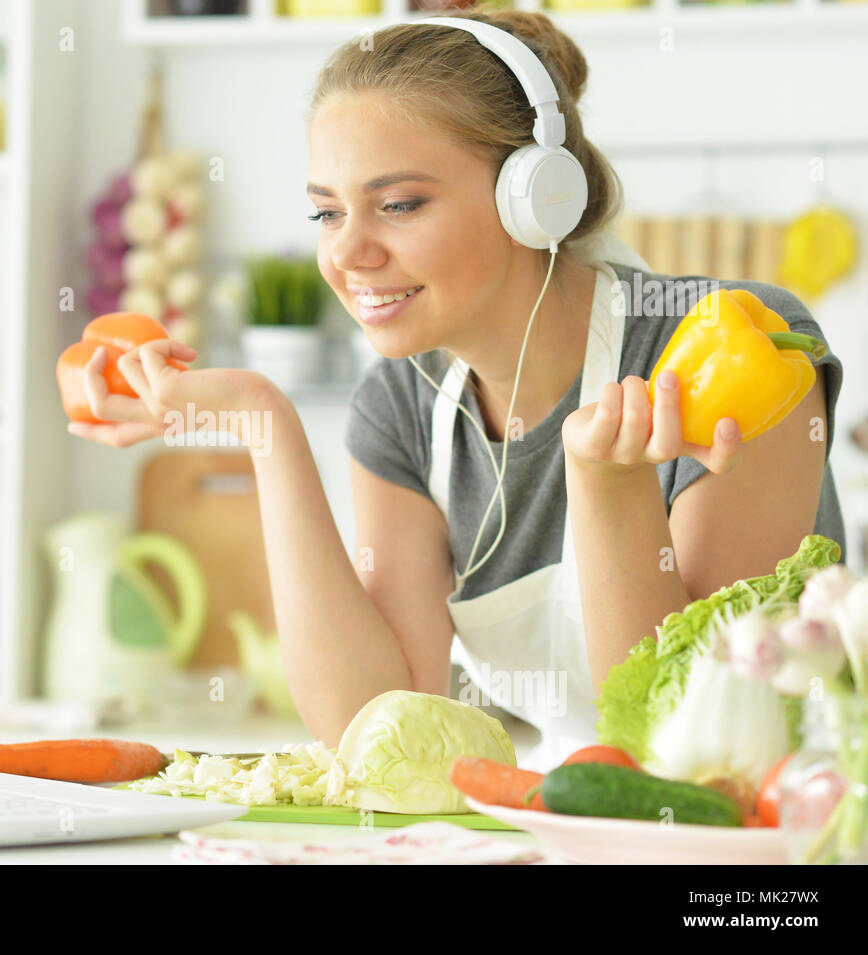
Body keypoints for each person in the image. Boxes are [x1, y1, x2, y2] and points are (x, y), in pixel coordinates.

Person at [66, 7, 845, 770]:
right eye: (326, 212)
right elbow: (372, 720)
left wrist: (610, 489)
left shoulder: (723, 349)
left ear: (535, 197)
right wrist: (266, 426)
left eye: (398, 204)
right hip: (565, 824)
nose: (347, 253)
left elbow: (688, 745)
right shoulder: (401, 409)